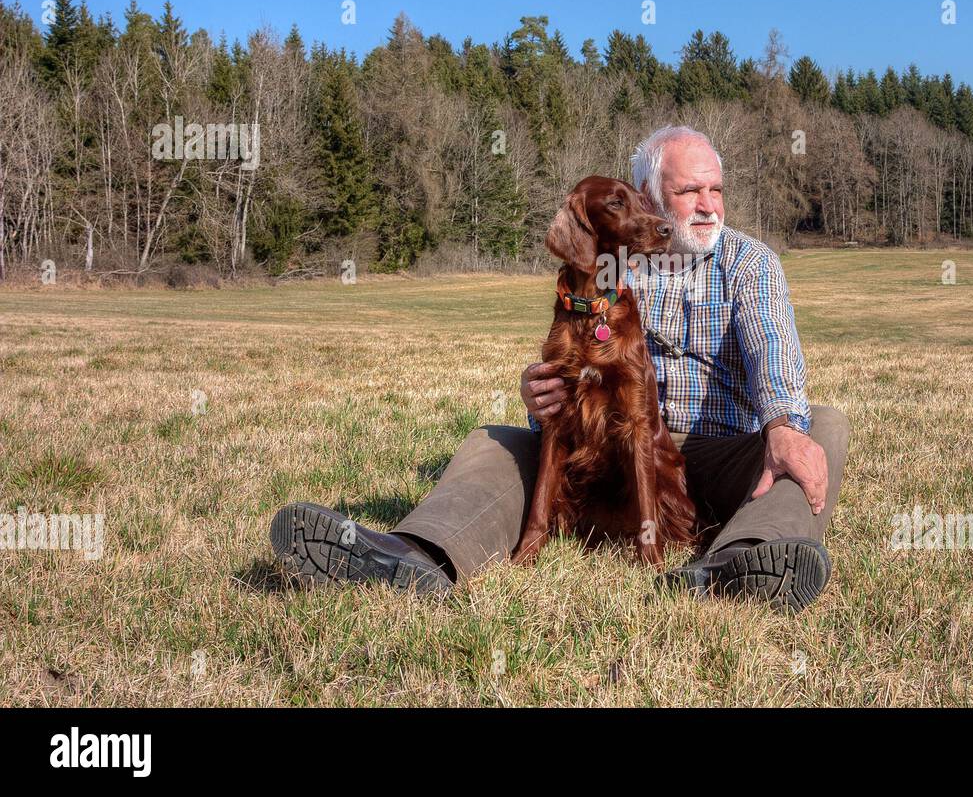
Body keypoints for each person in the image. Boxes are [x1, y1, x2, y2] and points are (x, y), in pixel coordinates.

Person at [270, 125, 849, 613]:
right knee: (494, 441)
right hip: (609, 456)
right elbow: (569, 360)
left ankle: (741, 562)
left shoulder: (749, 264)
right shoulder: (609, 261)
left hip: (717, 453)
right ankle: (415, 554)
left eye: (716, 190)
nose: (707, 206)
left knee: (817, 427)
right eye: (689, 190)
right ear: (647, 195)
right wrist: (537, 393)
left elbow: (777, 363)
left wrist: (780, 424)